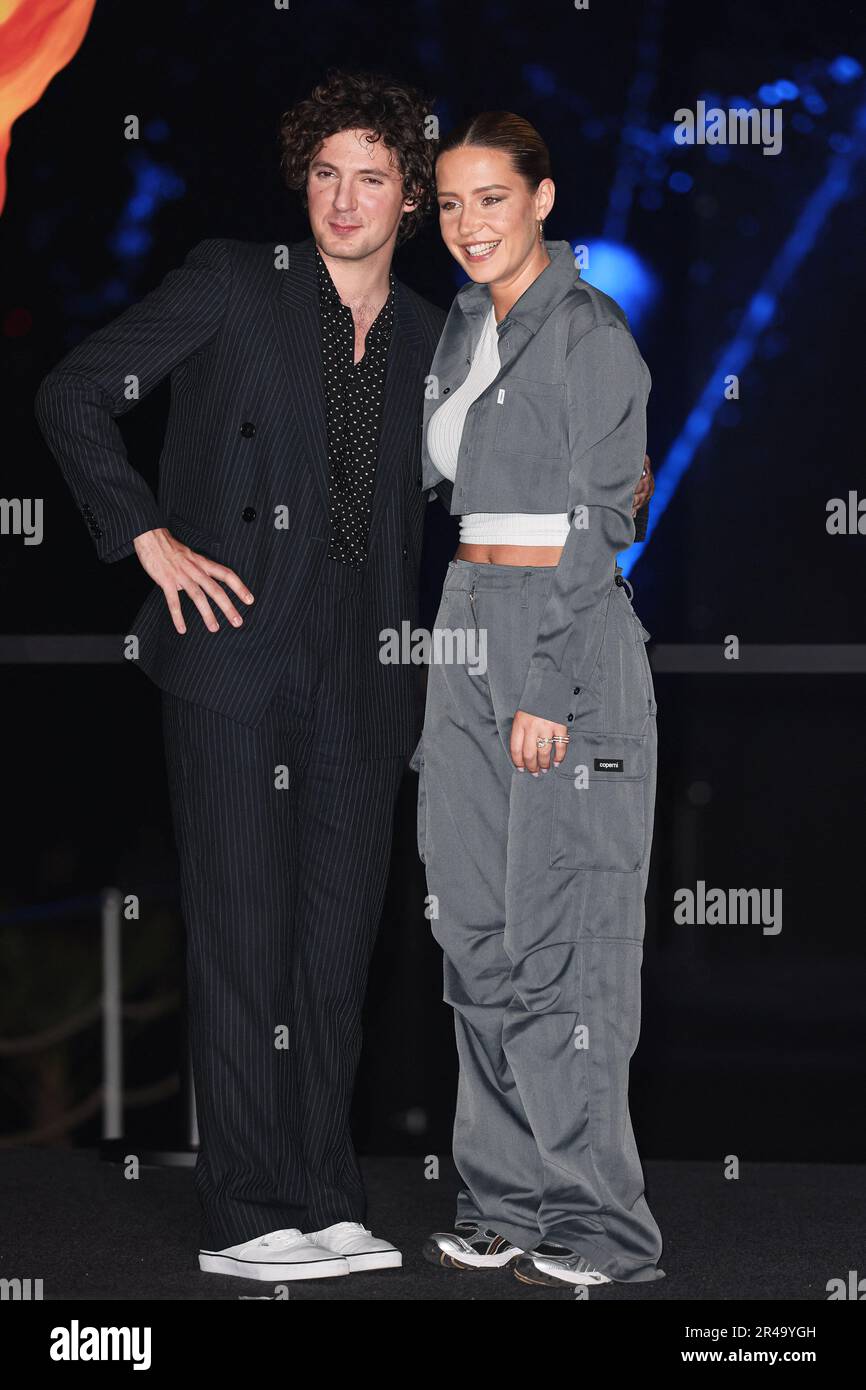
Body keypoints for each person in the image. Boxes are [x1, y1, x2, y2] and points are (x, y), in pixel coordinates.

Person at [34, 68, 450, 1284]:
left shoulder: (434, 331)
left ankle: (322, 1192)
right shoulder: (230, 280)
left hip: (365, 677)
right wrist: (146, 537)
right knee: (242, 936)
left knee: (334, 947)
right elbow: (73, 394)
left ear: (409, 196)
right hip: (233, 660)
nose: (342, 196)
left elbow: (485, 474)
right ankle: (240, 1213)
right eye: (324, 172)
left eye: (370, 176)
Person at [413, 111, 665, 1287]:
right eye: (451, 203)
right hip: (463, 624)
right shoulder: (465, 323)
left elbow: (605, 518)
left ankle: (599, 1228)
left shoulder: (591, 332)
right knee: (472, 933)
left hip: (562, 644)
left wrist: (551, 681)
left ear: (542, 200)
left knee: (564, 948)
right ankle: (504, 1199)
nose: (467, 223)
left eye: (490, 199)